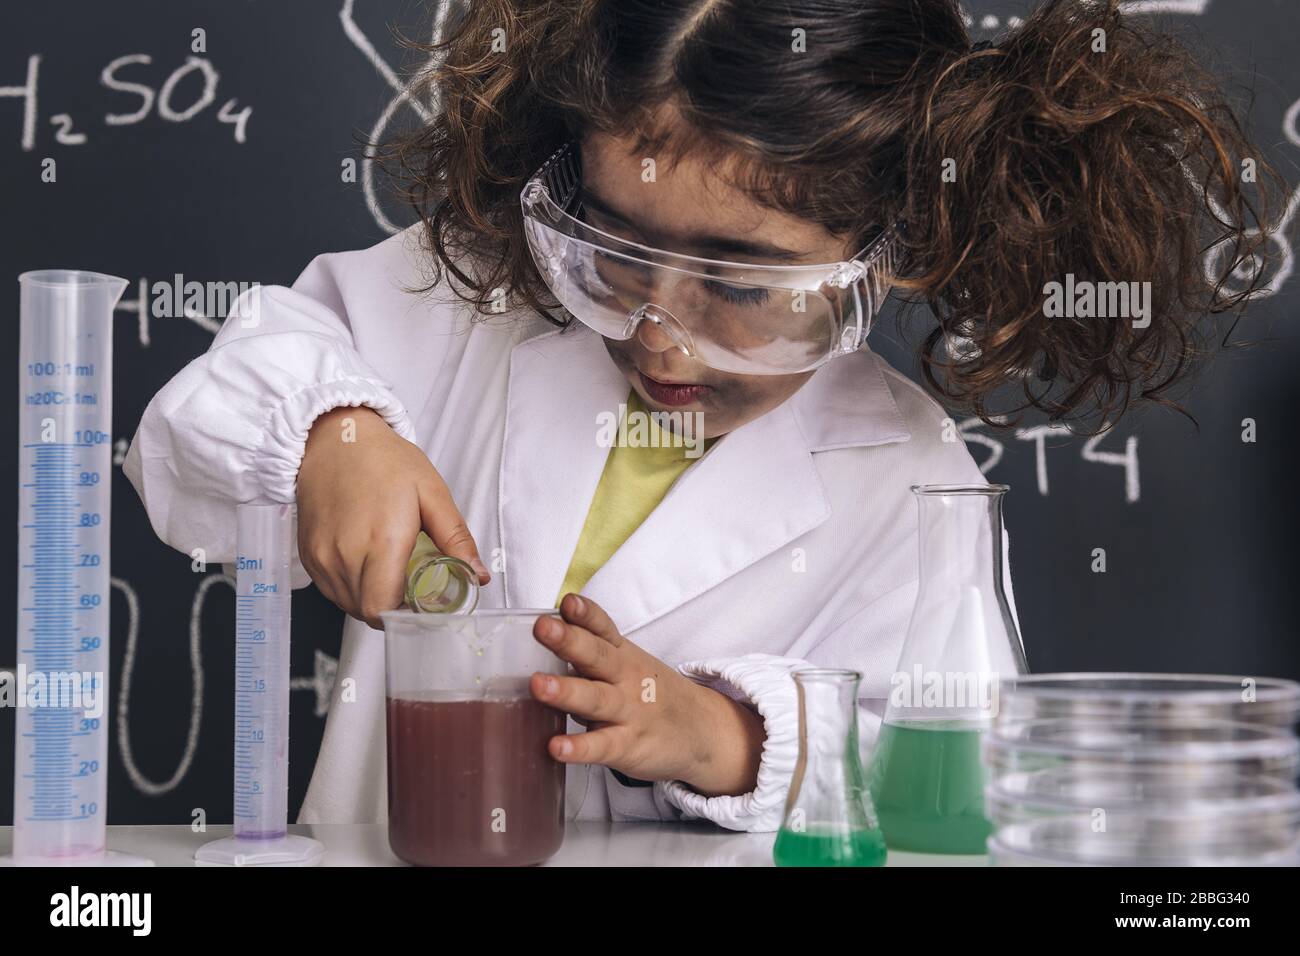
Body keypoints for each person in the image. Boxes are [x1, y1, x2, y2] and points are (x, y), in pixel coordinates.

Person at [125, 0, 1283, 830]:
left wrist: (723, 739)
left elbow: (949, 786)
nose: (658, 336)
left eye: (739, 284)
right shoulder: (463, 300)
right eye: (616, 254)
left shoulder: (905, 475)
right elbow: (194, 434)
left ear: (897, 251)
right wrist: (335, 429)